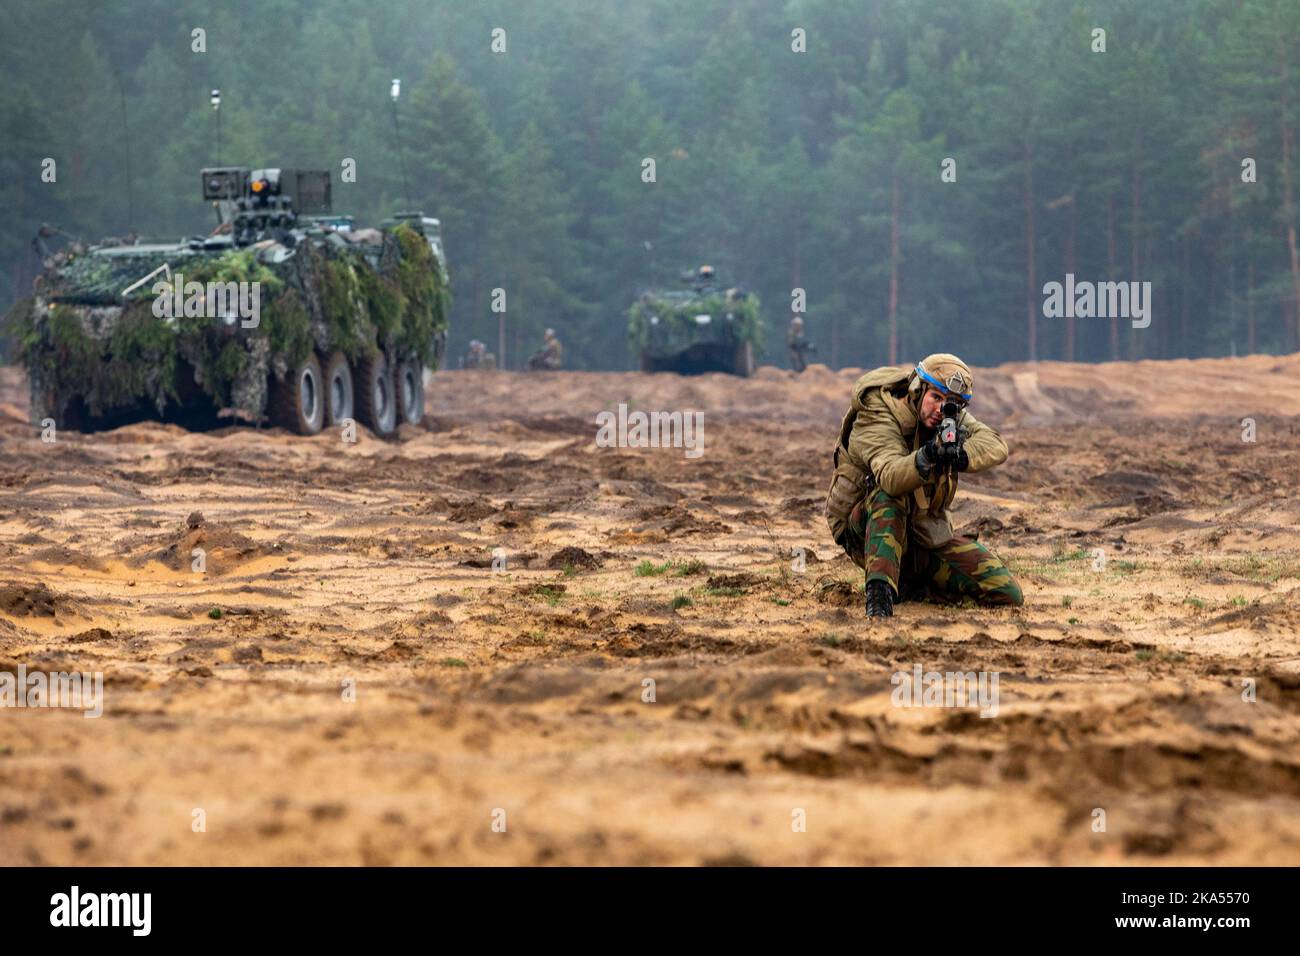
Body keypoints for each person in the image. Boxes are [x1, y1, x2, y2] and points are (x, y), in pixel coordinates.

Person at [824, 353, 1022, 618]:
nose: (942, 409)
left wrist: (960, 454)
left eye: (952, 404)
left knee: (1005, 592)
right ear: (918, 389)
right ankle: (879, 597)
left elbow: (995, 444)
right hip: (865, 529)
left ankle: (911, 585)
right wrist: (928, 456)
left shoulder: (949, 416)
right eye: (936, 398)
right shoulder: (877, 413)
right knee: (889, 496)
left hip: (921, 534)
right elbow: (891, 477)